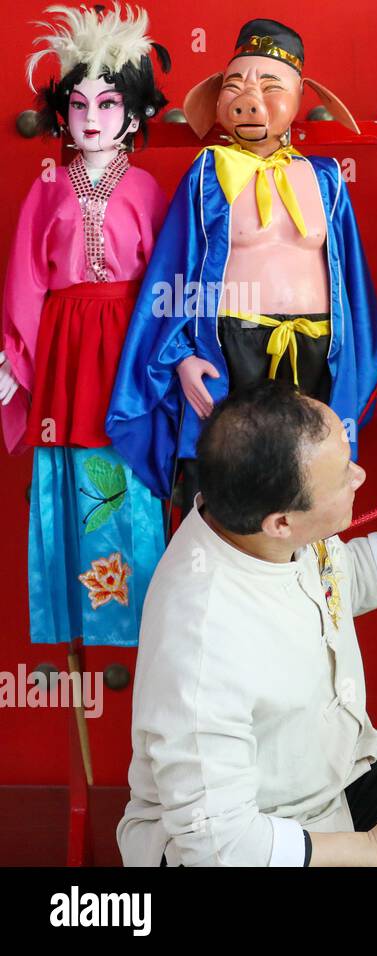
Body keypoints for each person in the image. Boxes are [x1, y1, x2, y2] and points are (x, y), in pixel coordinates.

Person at [117, 380, 377, 866]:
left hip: (333, 776)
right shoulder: (202, 642)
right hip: (247, 836)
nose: (361, 475)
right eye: (343, 472)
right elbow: (219, 848)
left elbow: (340, 578)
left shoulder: (261, 525)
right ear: (281, 522)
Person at [106, 18, 377, 508]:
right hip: (231, 346)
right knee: (230, 482)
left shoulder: (324, 179)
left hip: (314, 349)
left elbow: (352, 282)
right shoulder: (206, 175)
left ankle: (306, 579)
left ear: (301, 96)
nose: (249, 97)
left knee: (309, 481)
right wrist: (177, 357)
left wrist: (365, 356)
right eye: (235, 86)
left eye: (269, 85)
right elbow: (173, 272)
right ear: (219, 101)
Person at [0, 2, 169, 649]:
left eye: (107, 105)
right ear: (61, 114)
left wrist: (165, 357)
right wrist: (16, 360)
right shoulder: (46, 191)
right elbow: (26, 281)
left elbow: (165, 284)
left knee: (124, 454)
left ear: (132, 116)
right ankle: (80, 610)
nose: (92, 119)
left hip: (128, 345)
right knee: (72, 459)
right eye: (79, 105)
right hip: (66, 341)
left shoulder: (151, 191)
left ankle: (138, 610)